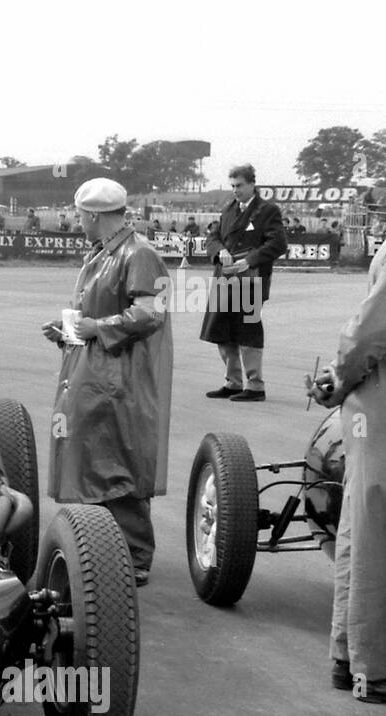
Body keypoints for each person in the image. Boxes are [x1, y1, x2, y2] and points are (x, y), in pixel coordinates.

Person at [41, 178, 173, 586]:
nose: (76, 221)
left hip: (121, 376)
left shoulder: (139, 254)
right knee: (91, 454)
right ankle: (97, 545)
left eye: (79, 215)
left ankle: (133, 555)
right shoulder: (105, 253)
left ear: (95, 215)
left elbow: (152, 313)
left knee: (120, 459)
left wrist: (98, 326)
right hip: (95, 370)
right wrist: (68, 332)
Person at [307, 216, 386, 704]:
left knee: (364, 526)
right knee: (382, 531)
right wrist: (339, 377)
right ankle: (376, 669)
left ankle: (352, 660)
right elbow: (370, 331)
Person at [200, 163, 288, 403]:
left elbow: (278, 244)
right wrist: (219, 252)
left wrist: (250, 260)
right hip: (225, 277)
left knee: (248, 332)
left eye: (239, 185)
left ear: (252, 184)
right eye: (232, 186)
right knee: (222, 332)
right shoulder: (228, 208)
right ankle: (233, 382)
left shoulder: (267, 211)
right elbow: (213, 237)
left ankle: (255, 385)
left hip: (251, 280)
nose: (235, 190)